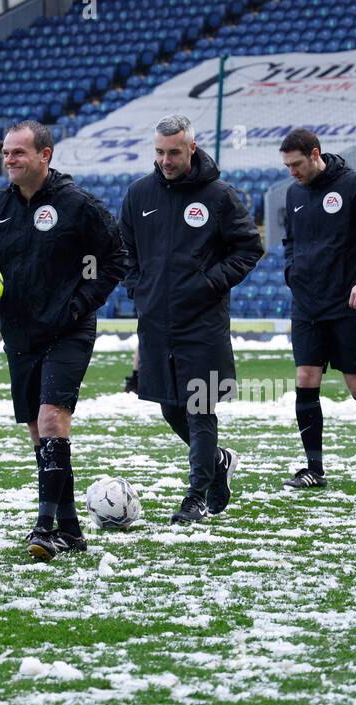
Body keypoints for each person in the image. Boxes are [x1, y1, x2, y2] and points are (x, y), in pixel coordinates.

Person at [0, 120, 127, 558]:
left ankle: (43, 528)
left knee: (53, 418)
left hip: (68, 329)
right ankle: (71, 529)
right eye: (5, 153)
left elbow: (117, 257)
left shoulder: (78, 205)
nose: (9, 160)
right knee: (39, 432)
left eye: (18, 152)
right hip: (19, 332)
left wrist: (80, 303)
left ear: (45, 155)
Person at [119, 114, 262, 524]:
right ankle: (218, 462)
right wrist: (138, 288)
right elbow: (124, 250)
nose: (165, 160)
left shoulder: (218, 196)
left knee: (201, 408)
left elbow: (249, 248)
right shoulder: (138, 194)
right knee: (170, 408)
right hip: (156, 323)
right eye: (160, 152)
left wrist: (209, 284)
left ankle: (195, 497)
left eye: (174, 152)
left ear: (192, 148)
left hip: (203, 322)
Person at [278, 128, 356, 488]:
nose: (292, 172)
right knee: (306, 378)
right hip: (307, 303)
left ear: (316, 154)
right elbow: (290, 240)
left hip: (348, 303)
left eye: (297, 164)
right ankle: (314, 468)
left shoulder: (355, 185)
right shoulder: (293, 193)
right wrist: (291, 271)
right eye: (287, 166)